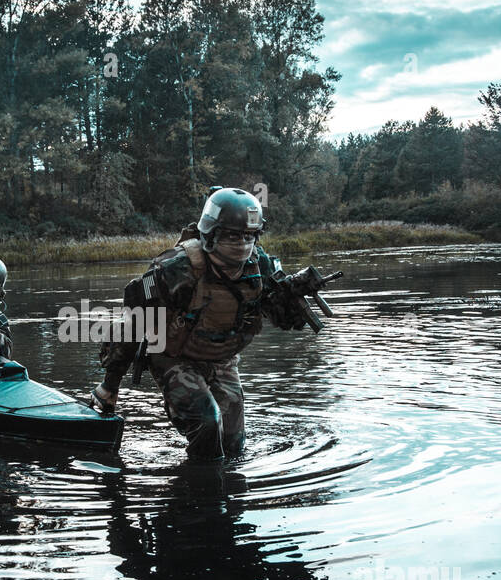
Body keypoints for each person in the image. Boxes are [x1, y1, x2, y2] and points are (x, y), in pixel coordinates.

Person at [90, 186, 325, 461]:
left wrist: (291, 300)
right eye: (233, 236)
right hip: (172, 356)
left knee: (233, 443)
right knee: (207, 422)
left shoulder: (259, 266)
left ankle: (229, 490)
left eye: (249, 236)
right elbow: (134, 322)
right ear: (212, 235)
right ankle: (199, 492)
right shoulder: (176, 270)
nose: (242, 245)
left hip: (222, 359)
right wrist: (109, 386)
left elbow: (277, 317)